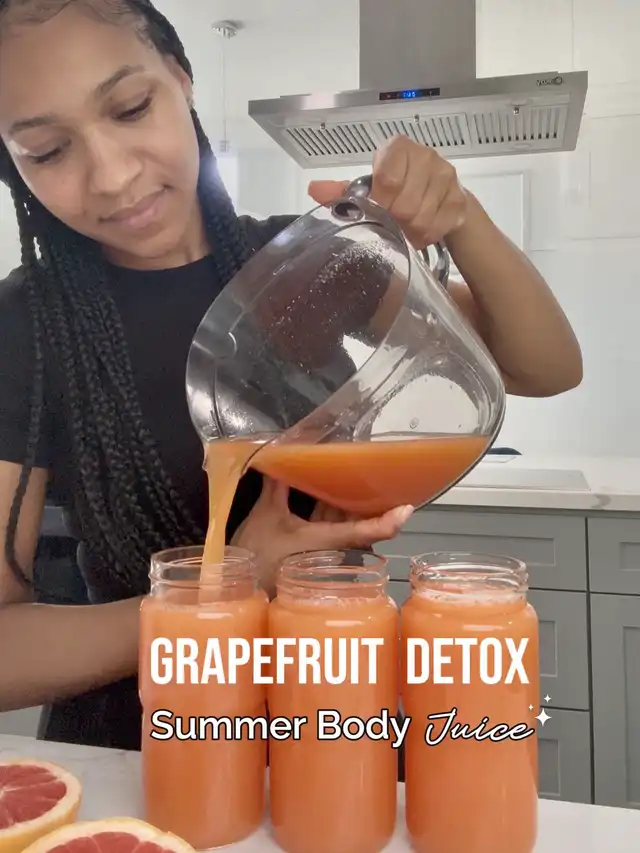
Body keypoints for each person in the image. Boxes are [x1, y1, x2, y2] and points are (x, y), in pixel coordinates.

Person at [0, 0, 583, 751]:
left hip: (336, 703)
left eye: (132, 108)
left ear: (181, 78)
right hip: (143, 738)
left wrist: (460, 217)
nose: (112, 176)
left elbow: (545, 366)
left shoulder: (302, 266)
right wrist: (226, 588)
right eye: (48, 151)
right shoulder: (25, 327)